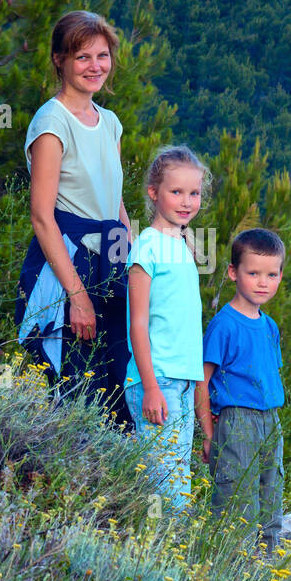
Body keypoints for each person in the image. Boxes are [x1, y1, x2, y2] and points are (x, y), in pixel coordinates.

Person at [16, 10, 134, 430]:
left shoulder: (111, 123)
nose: (95, 66)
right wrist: (78, 296)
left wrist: (134, 267)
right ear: (59, 60)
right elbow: (43, 218)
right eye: (82, 56)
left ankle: (115, 493)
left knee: (115, 389)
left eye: (102, 56)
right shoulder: (52, 123)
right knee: (72, 394)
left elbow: (115, 206)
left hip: (110, 264)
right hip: (68, 267)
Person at [125, 146, 210, 507]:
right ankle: (161, 556)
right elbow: (137, 323)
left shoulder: (184, 245)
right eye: (176, 192)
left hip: (183, 382)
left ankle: (159, 552)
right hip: (157, 379)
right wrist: (150, 386)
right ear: (153, 193)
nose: (187, 201)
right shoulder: (147, 248)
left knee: (176, 480)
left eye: (194, 193)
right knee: (169, 491)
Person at [196, 229, 286, 551]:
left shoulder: (270, 326)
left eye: (271, 274)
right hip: (236, 420)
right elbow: (201, 382)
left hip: (270, 420)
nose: (263, 282)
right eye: (253, 273)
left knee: (271, 489)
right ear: (234, 272)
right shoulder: (224, 324)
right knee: (235, 496)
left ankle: (268, 563)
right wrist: (208, 434)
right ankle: (231, 564)